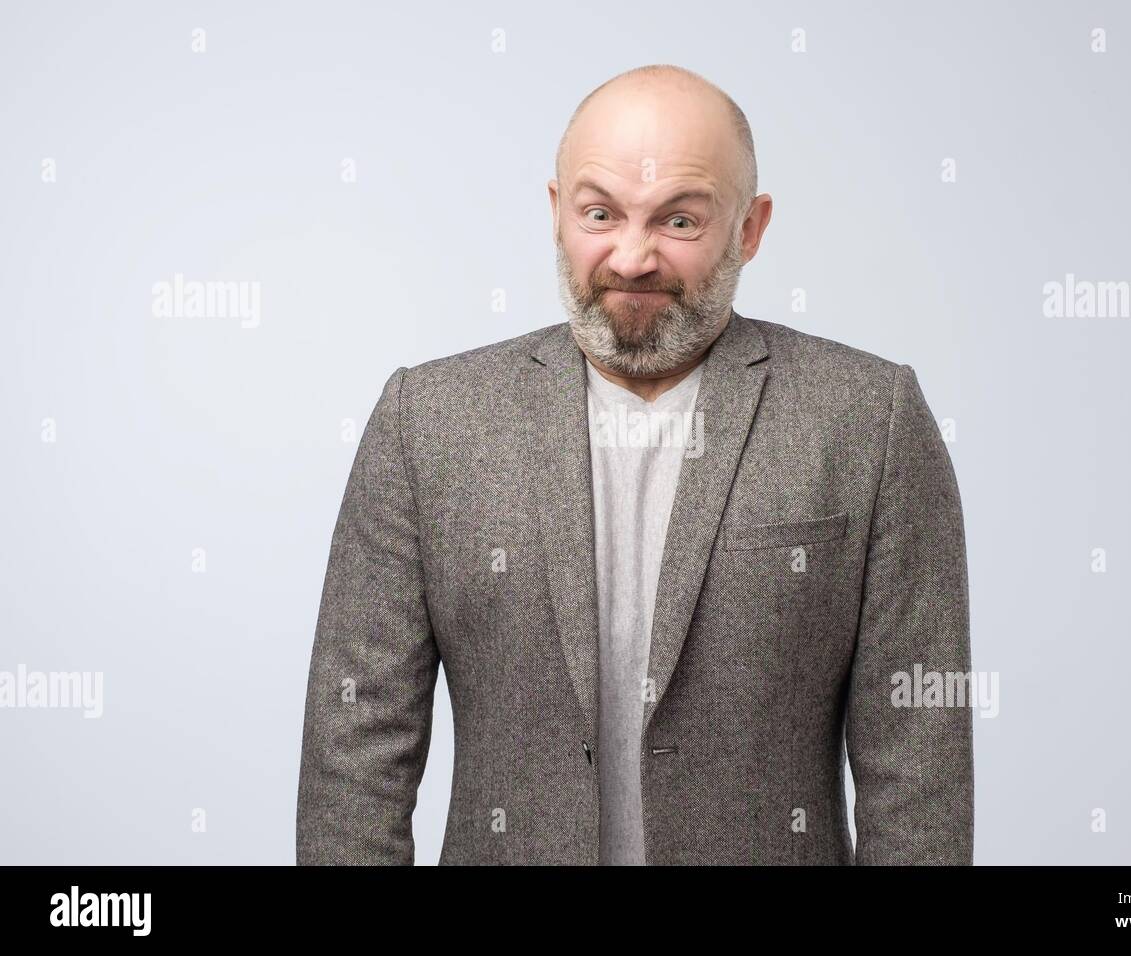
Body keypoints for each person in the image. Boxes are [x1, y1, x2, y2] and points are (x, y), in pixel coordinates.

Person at [296, 63, 973, 865]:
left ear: (749, 229)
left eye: (678, 222)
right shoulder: (427, 421)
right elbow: (355, 755)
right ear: (556, 214)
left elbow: (918, 774)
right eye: (599, 213)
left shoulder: (872, 418)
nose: (631, 256)